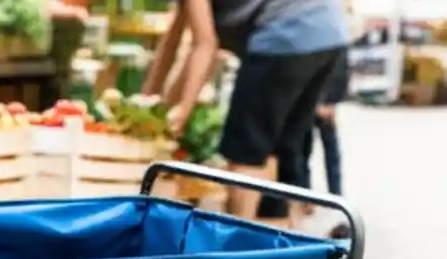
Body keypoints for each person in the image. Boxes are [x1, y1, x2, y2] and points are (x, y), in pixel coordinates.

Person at [145, 0, 350, 224]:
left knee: (245, 153)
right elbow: (174, 41)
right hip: (329, 34)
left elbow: (205, 46)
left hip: (285, 34)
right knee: (280, 149)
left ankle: (237, 244)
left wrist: (181, 112)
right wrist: (150, 101)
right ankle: (282, 243)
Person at [300, 41, 349, 197]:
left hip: (323, 103)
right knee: (302, 150)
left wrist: (329, 102)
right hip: (304, 101)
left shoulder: (333, 37)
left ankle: (335, 193)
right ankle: (305, 196)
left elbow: (341, 70)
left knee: (330, 150)